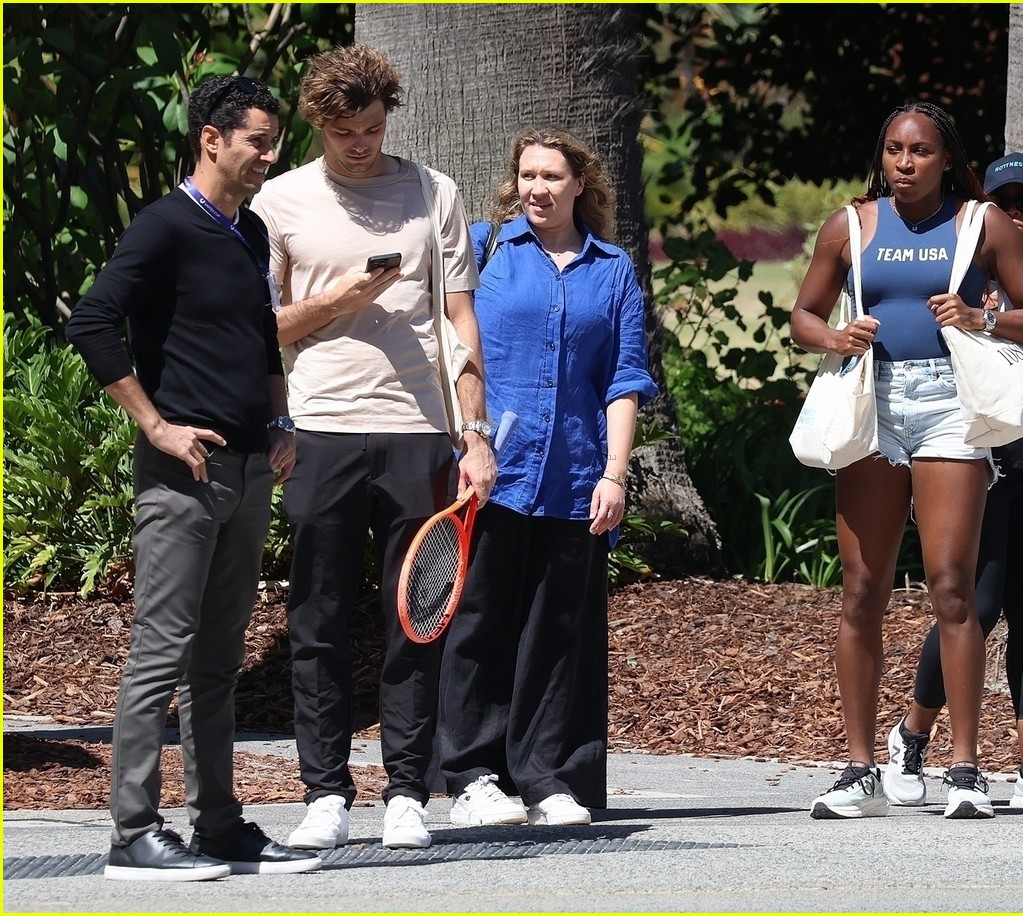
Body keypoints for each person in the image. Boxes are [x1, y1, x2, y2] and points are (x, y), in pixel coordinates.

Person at [66, 75, 319, 880]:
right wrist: (156, 424)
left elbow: (260, 338)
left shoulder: (248, 230)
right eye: (258, 143)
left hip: (249, 469)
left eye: (273, 143)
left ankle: (218, 825)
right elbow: (92, 322)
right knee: (161, 652)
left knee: (217, 661)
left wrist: (280, 420)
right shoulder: (164, 227)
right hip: (185, 474)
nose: (270, 156)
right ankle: (133, 833)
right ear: (212, 139)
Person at [249, 44, 495, 851]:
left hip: (419, 430)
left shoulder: (433, 191)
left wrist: (475, 434)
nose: (361, 145)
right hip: (320, 426)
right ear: (317, 124)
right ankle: (324, 792)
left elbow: (461, 319)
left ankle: (407, 792)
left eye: (373, 129)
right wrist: (344, 299)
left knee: (415, 617)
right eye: (344, 132)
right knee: (317, 617)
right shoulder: (280, 201)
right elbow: (264, 327)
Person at [789, 102, 1023, 820]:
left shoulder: (982, 223)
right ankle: (858, 770)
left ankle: (964, 769)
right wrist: (835, 337)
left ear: (948, 160)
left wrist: (981, 318)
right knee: (862, 589)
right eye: (893, 150)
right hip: (872, 403)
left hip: (949, 404)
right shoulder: (850, 225)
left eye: (920, 151)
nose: (904, 163)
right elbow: (803, 316)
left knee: (951, 586)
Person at [436, 127, 659, 827]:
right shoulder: (485, 250)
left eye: (552, 176)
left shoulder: (613, 270)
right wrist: (469, 440)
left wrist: (615, 474)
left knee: (558, 634)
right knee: (479, 623)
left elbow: (623, 380)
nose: (538, 188)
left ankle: (548, 778)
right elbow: (451, 351)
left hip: (575, 474)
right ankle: (471, 776)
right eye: (527, 176)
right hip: (492, 471)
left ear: (579, 184)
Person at [884, 153, 1023, 810]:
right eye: (1000, 203)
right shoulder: (961, 281)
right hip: (971, 469)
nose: (1013, 214)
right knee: (973, 610)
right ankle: (912, 736)